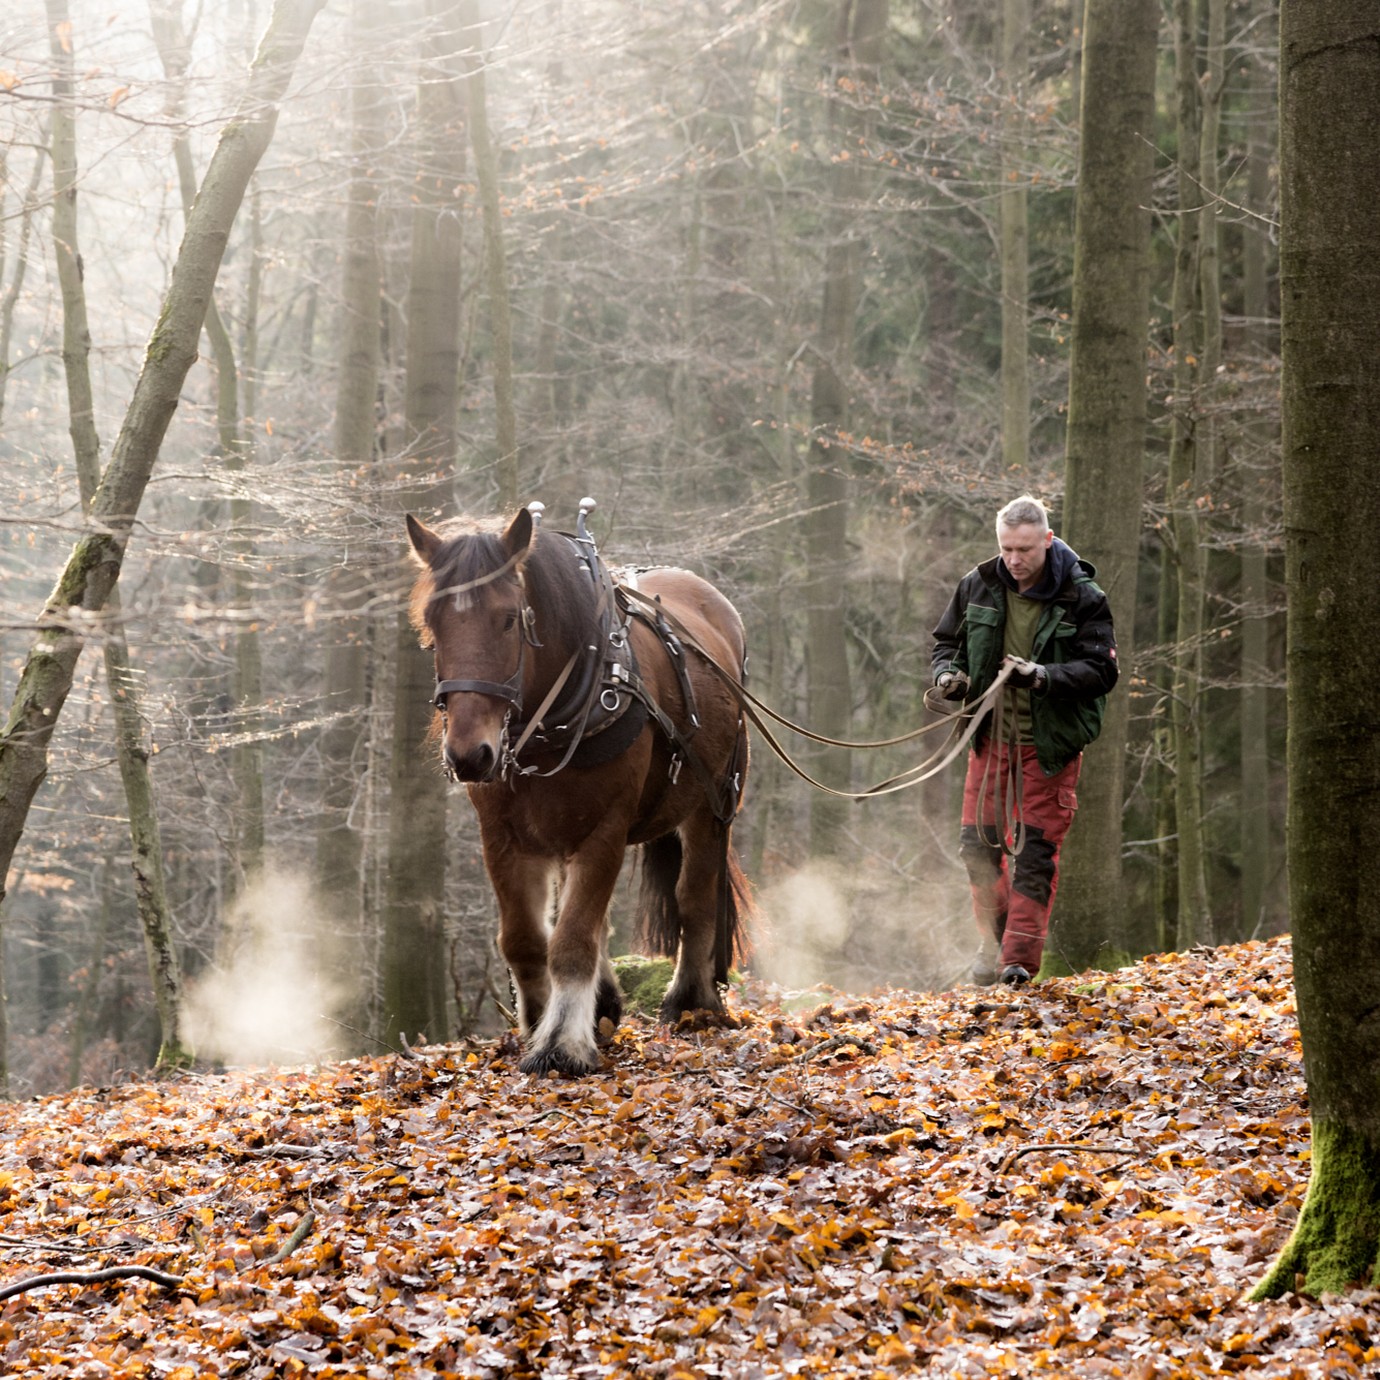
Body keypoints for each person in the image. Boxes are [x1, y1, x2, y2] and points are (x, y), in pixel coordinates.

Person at [930, 495, 1118, 986]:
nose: (1015, 560)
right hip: (990, 739)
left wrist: (1041, 676)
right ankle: (993, 946)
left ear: (1047, 541)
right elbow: (946, 644)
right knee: (976, 846)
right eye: (1007, 548)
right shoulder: (979, 584)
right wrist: (950, 676)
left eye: (1025, 550)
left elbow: (1102, 670)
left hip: (1050, 745)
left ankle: (1017, 962)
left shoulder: (1084, 596)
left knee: (1035, 852)